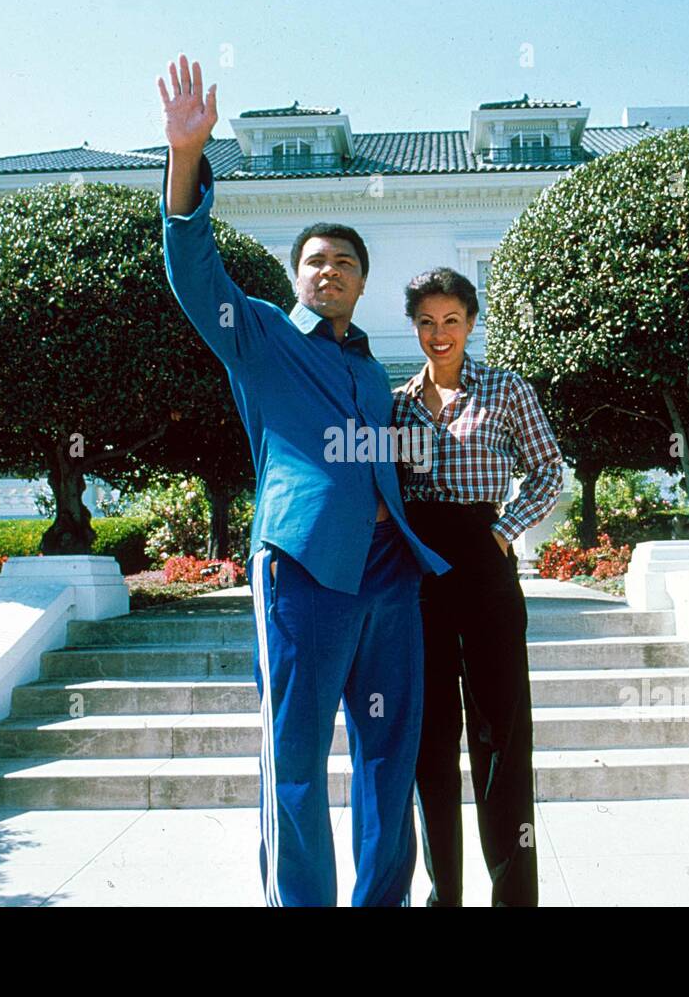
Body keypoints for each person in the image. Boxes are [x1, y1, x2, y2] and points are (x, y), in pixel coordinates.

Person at [157, 55, 450, 908]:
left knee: (390, 758)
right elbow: (192, 268)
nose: (329, 272)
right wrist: (184, 157)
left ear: (362, 283)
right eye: (315, 262)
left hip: (391, 578)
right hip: (303, 573)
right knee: (293, 762)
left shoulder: (370, 369)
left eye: (345, 264)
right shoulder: (255, 335)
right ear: (297, 276)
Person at [392, 266, 565, 907]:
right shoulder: (398, 403)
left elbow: (549, 472)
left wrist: (502, 533)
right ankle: (446, 896)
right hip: (422, 576)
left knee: (500, 732)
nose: (440, 335)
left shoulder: (505, 390)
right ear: (416, 328)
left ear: (470, 323)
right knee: (431, 740)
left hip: (485, 563)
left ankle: (513, 897)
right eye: (428, 323)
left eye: (452, 321)